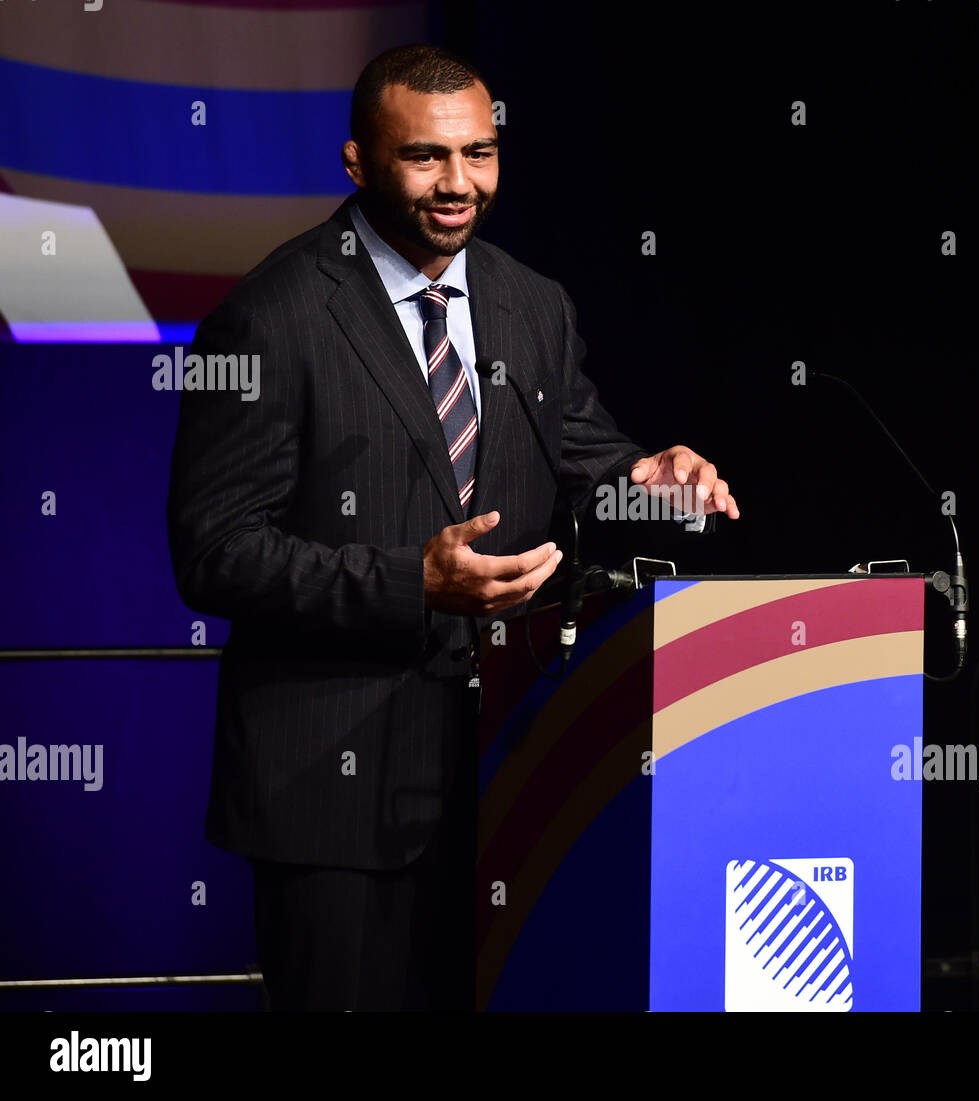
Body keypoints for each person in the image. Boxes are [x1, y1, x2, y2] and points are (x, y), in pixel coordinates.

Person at [165, 43, 738, 1011]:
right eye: (425, 157)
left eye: (478, 153)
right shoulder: (271, 316)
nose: (458, 184)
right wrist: (409, 582)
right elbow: (213, 551)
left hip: (513, 781)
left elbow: (590, 474)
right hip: (335, 803)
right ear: (356, 163)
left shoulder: (530, 303)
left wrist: (658, 485)